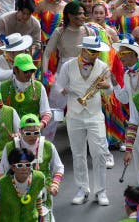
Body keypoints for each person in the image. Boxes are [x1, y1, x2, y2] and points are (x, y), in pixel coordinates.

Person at [54, 34, 112, 206]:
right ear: (83, 50)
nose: (94, 55)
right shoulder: (68, 66)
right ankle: (82, 189)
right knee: (78, 154)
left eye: (96, 52)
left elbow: (109, 92)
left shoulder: (103, 67)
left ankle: (101, 191)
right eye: (91, 51)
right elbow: (58, 85)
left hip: (95, 115)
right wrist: (63, 90)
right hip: (74, 115)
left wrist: (107, 86)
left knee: (100, 154)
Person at [0, 147, 46, 222]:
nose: (24, 168)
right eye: (20, 165)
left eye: (28, 165)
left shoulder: (39, 178)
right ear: (13, 167)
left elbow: (39, 196)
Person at [0, 54, 51, 128]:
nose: (29, 74)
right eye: (26, 71)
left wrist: (40, 126)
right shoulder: (3, 87)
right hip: (9, 132)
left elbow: (46, 112)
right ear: (15, 70)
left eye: (32, 71)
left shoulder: (39, 87)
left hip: (31, 133)